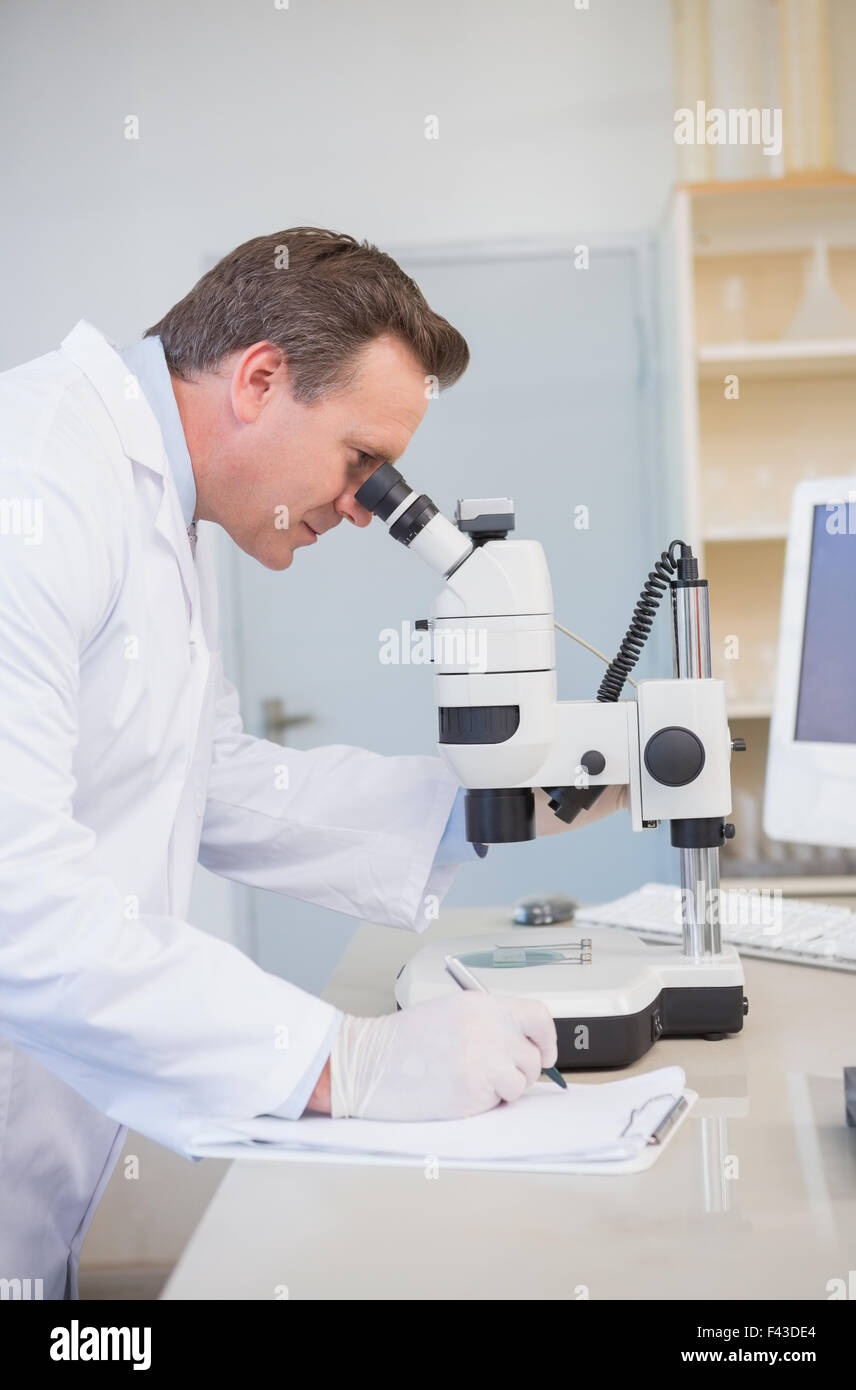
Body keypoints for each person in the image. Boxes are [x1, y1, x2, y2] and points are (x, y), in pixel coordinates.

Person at [0, 227, 627, 1298]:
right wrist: (347, 1060)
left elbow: (215, 780)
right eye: (361, 461)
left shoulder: (157, 507)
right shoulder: (40, 485)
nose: (360, 503)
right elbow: (17, 897)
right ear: (257, 380)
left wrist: (485, 811)